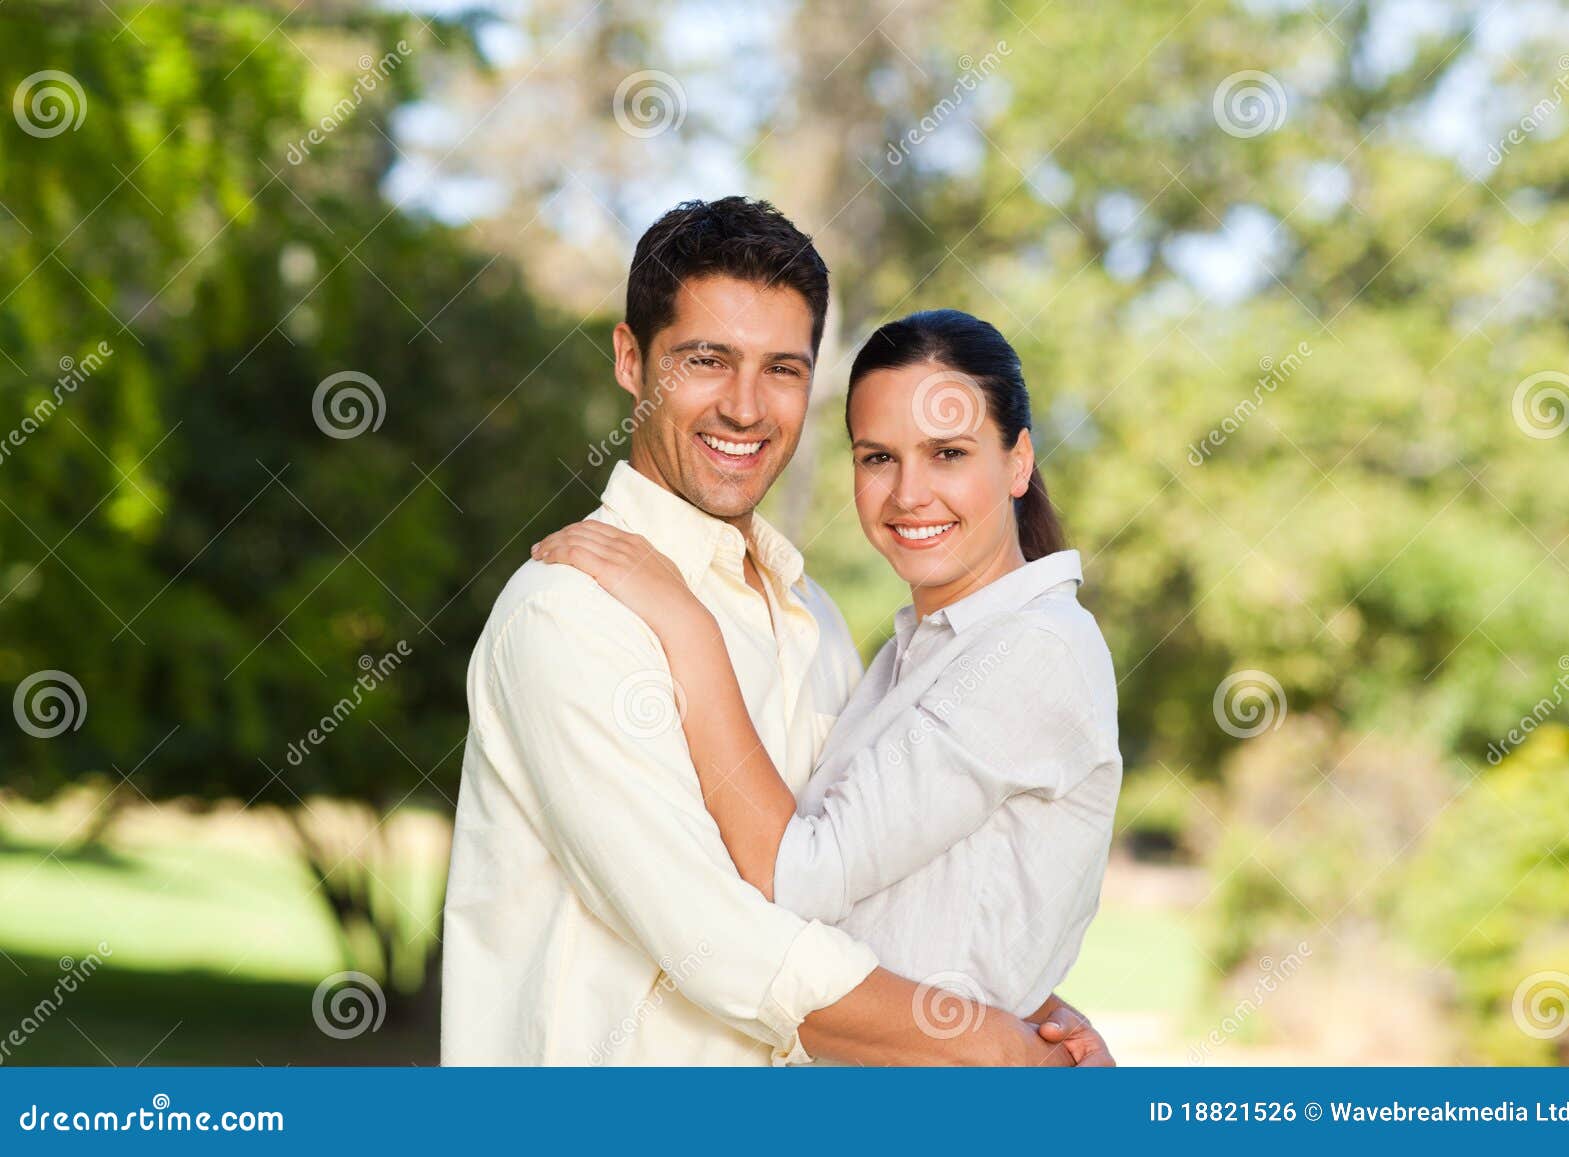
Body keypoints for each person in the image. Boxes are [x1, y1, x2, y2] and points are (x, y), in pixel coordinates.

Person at [442, 196, 1113, 1066]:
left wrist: (1034, 1007)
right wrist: (998, 1042)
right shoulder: (572, 611)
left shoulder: (815, 621)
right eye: (706, 360)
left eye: (783, 369)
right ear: (630, 360)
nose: (745, 407)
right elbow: (716, 939)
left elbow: (871, 889)